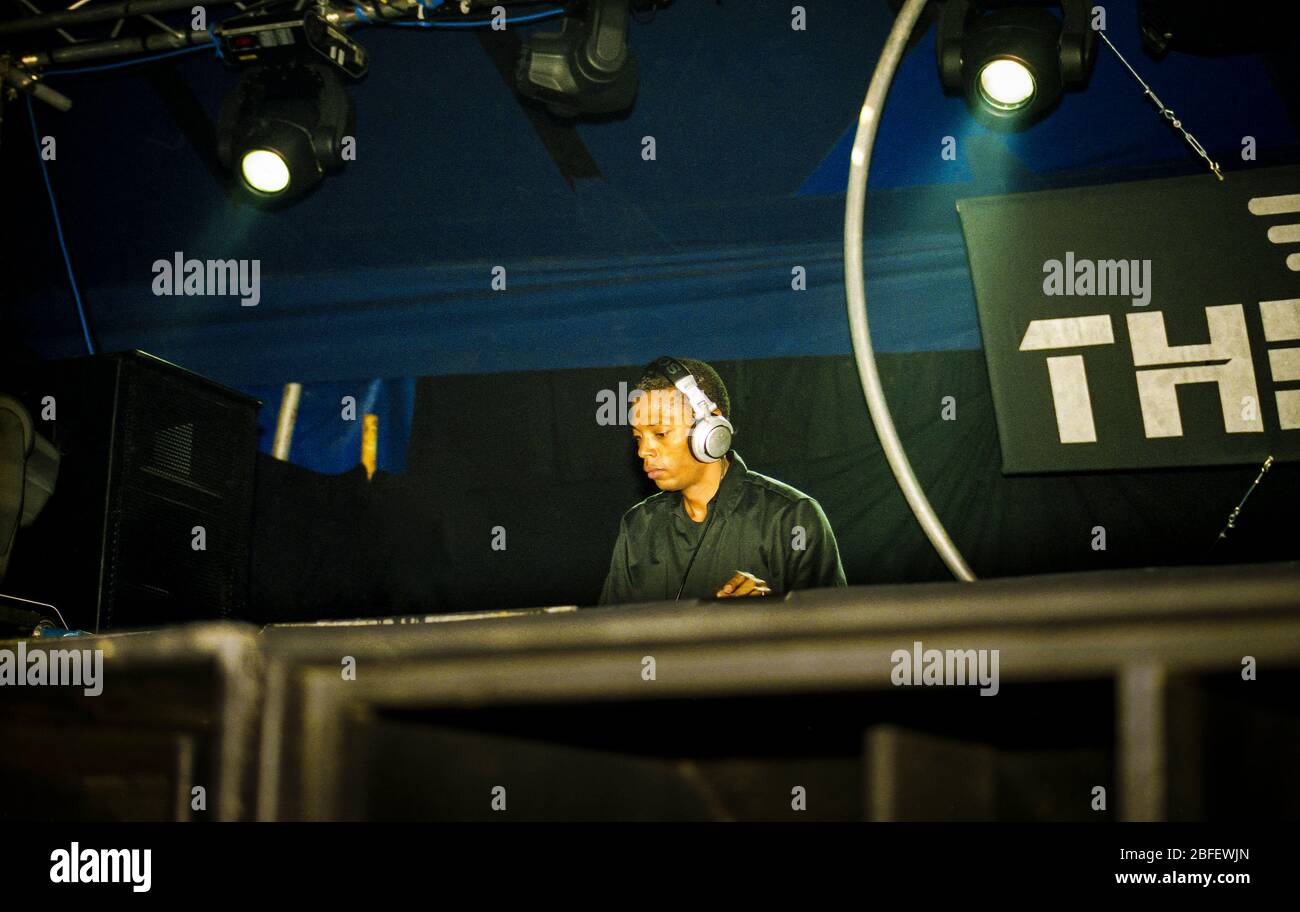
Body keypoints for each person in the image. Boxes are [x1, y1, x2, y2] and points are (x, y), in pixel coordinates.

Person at [598, 356, 846, 605]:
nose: (643, 451)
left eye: (660, 433)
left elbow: (834, 632)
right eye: (639, 438)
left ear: (711, 426)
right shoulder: (638, 527)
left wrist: (771, 612)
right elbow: (609, 636)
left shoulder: (792, 518)